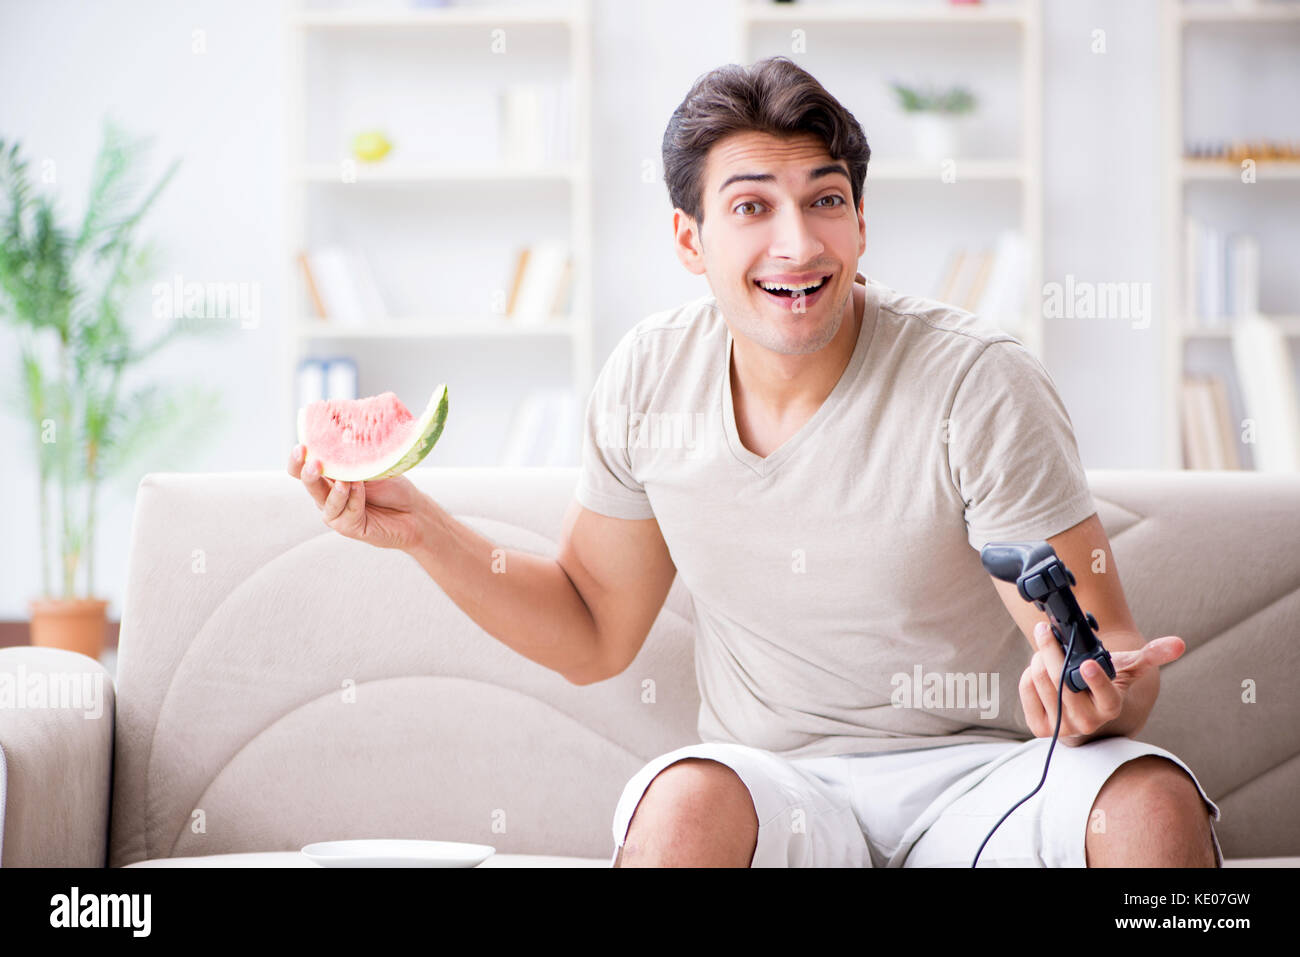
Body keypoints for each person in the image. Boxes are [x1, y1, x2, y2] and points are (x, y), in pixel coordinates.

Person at [288, 56, 1221, 868]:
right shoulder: (650, 378)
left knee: (1151, 808)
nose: (799, 243)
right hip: (780, 785)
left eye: (827, 200)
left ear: (861, 224)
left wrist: (1095, 695)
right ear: (690, 239)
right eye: (751, 207)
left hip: (988, 774)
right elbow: (592, 629)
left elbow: (1102, 654)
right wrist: (426, 533)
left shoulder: (977, 381)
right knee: (683, 805)